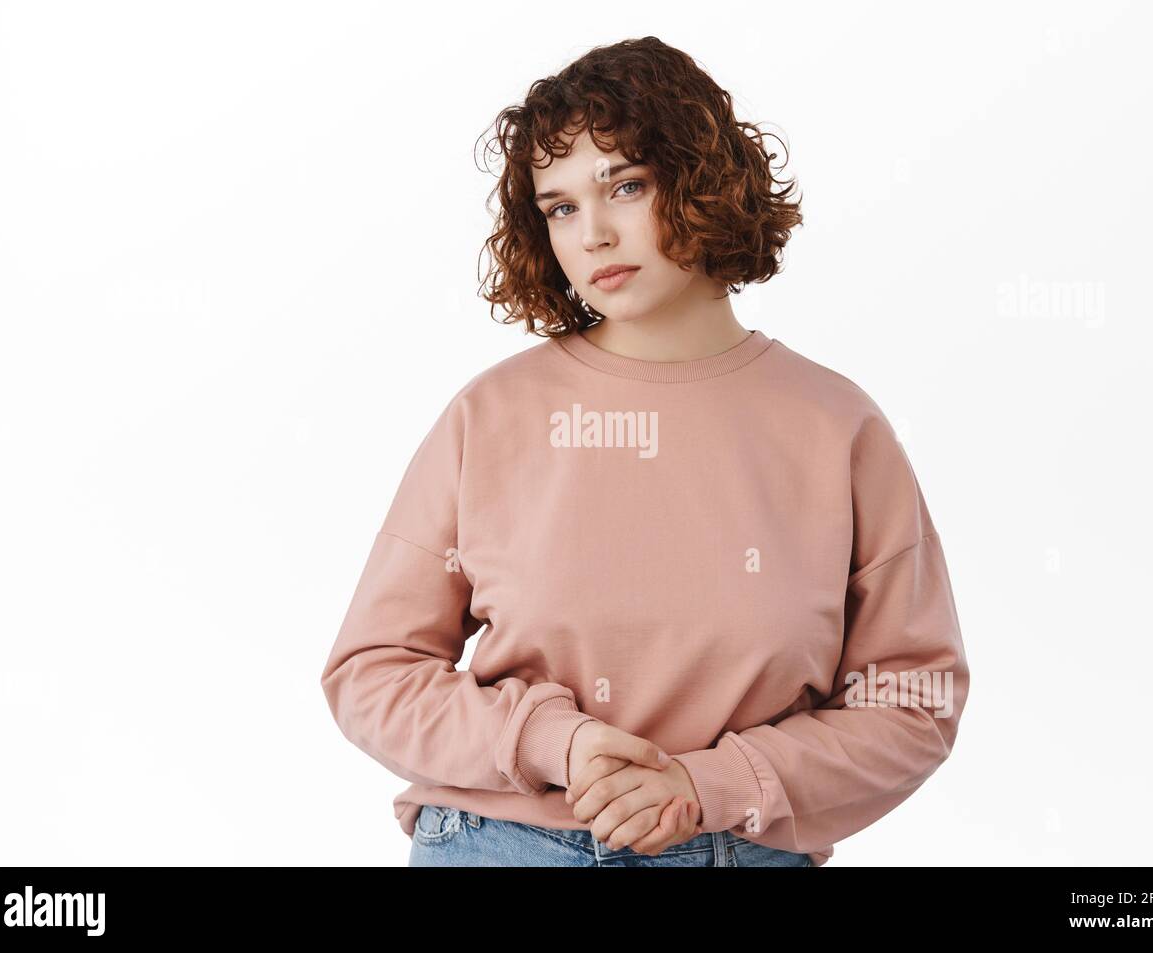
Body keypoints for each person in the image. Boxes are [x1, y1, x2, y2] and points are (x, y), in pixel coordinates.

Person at [320, 36, 969, 867]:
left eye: (625, 185)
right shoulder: (492, 417)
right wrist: (555, 743)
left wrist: (710, 785)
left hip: (737, 849)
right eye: (558, 207)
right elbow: (372, 673)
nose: (591, 234)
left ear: (703, 182)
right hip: (500, 846)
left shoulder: (837, 427)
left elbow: (912, 704)